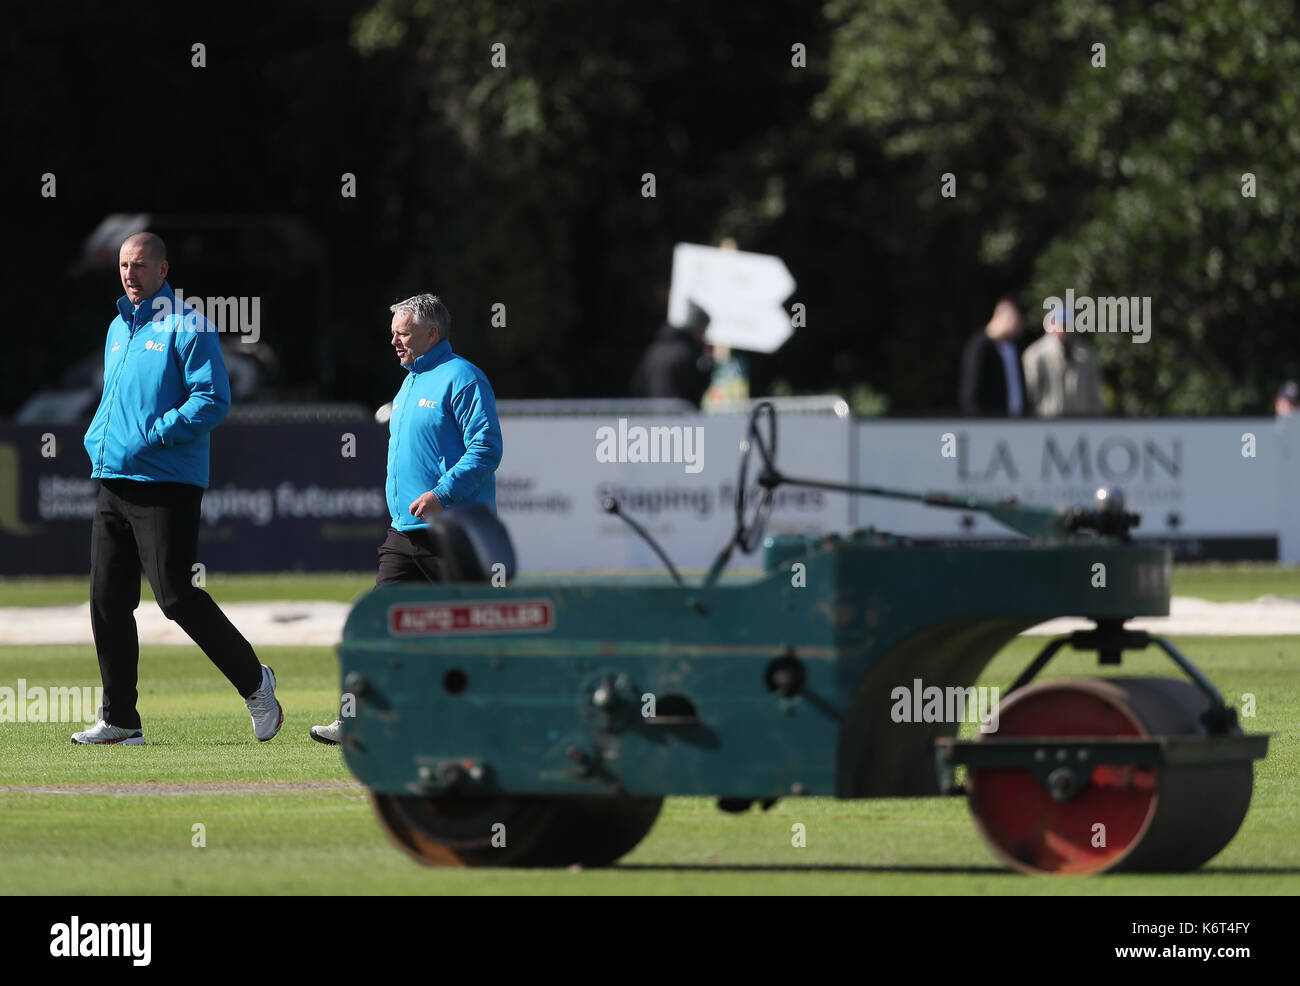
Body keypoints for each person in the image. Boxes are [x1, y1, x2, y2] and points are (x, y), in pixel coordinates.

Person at [74, 232, 282, 745]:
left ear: (162, 270)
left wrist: (160, 432)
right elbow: (115, 398)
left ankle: (256, 684)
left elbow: (213, 398)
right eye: (124, 265)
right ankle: (121, 720)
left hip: (166, 481)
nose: (130, 273)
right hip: (113, 480)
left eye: (140, 265)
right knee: (106, 601)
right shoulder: (117, 328)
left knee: (174, 596)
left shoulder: (188, 325)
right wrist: (97, 435)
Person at [311, 294, 503, 744]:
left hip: (455, 534)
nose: (393, 340)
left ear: (431, 333)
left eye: (403, 332)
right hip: (404, 534)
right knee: (375, 626)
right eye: (394, 332)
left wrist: (442, 493)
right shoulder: (409, 383)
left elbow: (486, 448)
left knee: (473, 637)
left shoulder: (463, 377)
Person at [1021, 309, 1105, 416]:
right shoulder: (1035, 355)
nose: (1064, 328)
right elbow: (1030, 393)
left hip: (1081, 421)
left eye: (1067, 324)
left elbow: (1095, 391)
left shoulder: (1086, 354)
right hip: (1046, 422)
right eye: (1060, 323)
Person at [630, 301, 713, 405]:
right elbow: (697, 389)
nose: (704, 336)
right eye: (703, 330)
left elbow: (637, 384)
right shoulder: (688, 353)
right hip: (677, 417)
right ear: (697, 329)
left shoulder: (655, 350)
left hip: (650, 415)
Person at [959, 297, 1026, 416]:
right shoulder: (980, 348)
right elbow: (971, 392)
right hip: (990, 424)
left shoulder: (1013, 347)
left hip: (1015, 422)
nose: (1020, 327)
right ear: (1005, 317)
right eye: (1017, 320)